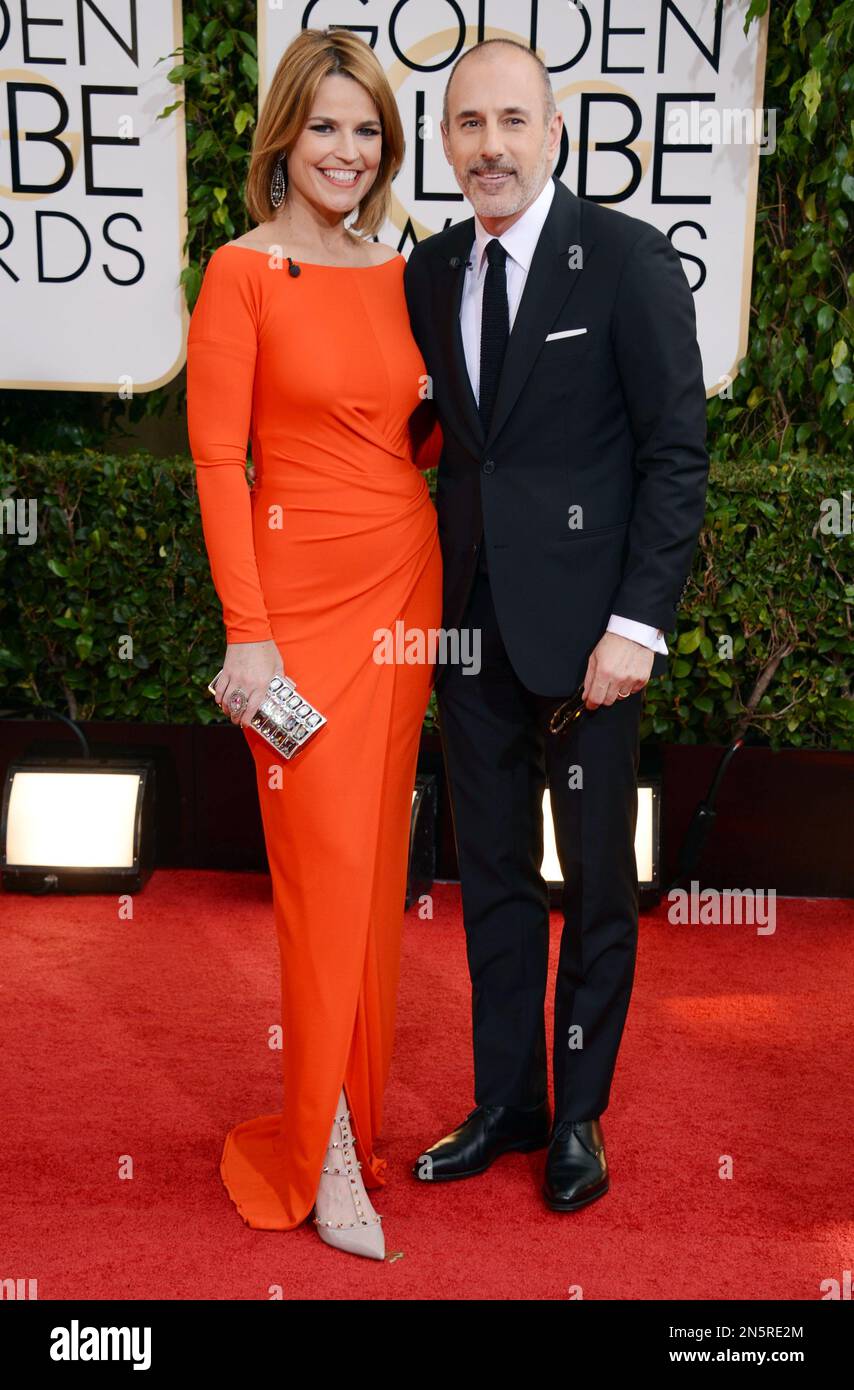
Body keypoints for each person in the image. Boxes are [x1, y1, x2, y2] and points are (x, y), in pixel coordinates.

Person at [403, 38, 708, 1211]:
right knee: (488, 878)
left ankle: (576, 1116)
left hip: (593, 646)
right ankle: (506, 1102)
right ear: (446, 141)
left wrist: (637, 623)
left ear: (554, 131)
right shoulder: (430, 270)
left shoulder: (625, 261)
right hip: (469, 630)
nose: (489, 146)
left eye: (511, 123)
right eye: (468, 125)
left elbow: (674, 453)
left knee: (589, 882)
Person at [186, 27, 442, 1259]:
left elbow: (414, 433)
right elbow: (217, 460)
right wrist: (251, 636)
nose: (347, 150)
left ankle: (352, 1112)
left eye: (367, 130)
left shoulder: (403, 268)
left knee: (374, 876)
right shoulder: (240, 271)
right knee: (320, 879)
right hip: (294, 615)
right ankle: (318, 1144)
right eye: (326, 125)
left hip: (405, 587)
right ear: (284, 133)